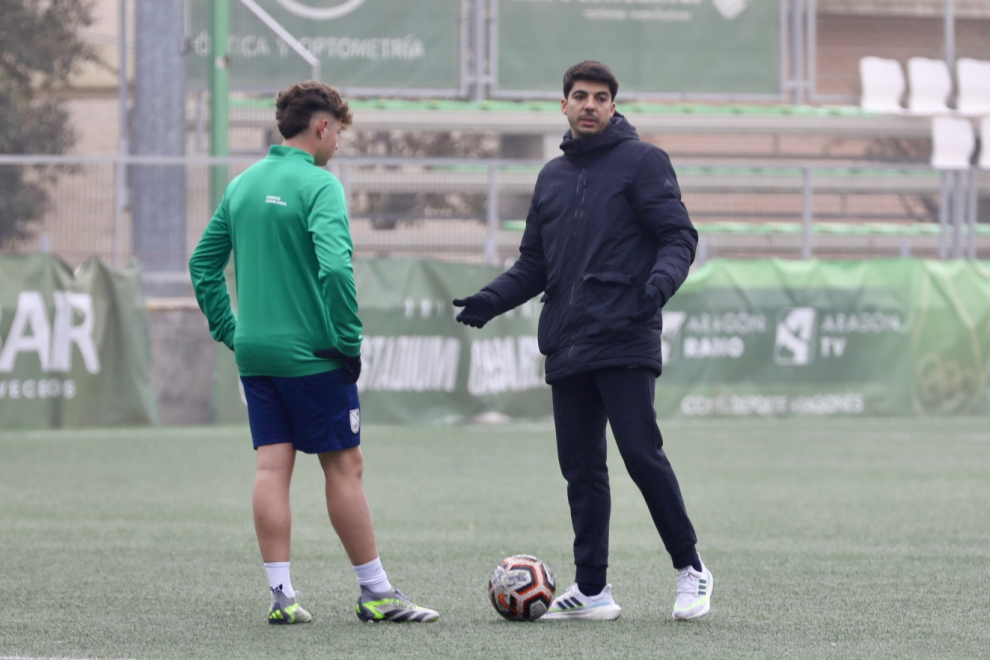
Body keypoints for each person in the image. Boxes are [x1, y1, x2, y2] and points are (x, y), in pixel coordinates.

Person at [453, 61, 712, 621]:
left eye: (600, 97)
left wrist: (658, 286)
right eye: (579, 96)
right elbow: (534, 264)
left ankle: (691, 569)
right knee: (581, 469)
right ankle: (593, 590)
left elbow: (678, 237)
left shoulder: (643, 163)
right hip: (568, 343)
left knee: (642, 456)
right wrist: (490, 300)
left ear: (614, 106)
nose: (589, 104)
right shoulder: (551, 177)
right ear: (563, 107)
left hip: (624, 332)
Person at [189, 80, 438, 625]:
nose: (339, 143)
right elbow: (335, 269)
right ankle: (376, 593)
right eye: (339, 131)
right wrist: (348, 341)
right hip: (314, 354)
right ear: (322, 125)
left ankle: (282, 597)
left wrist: (233, 332)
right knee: (344, 466)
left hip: (257, 356)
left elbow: (202, 266)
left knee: (271, 468)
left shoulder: (243, 184)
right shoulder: (320, 185)